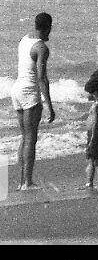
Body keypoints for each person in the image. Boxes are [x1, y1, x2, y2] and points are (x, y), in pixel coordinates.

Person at [11, 12, 55, 191]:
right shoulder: (41, 47)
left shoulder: (24, 39)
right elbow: (42, 78)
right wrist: (49, 106)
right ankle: (27, 182)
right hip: (29, 91)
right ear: (47, 27)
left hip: (16, 89)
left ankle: (21, 180)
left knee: (24, 136)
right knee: (31, 138)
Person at [83, 88, 98, 192]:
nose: (86, 94)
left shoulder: (96, 106)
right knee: (96, 160)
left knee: (91, 160)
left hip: (94, 134)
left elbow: (96, 123)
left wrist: (92, 139)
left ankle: (90, 182)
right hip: (96, 134)